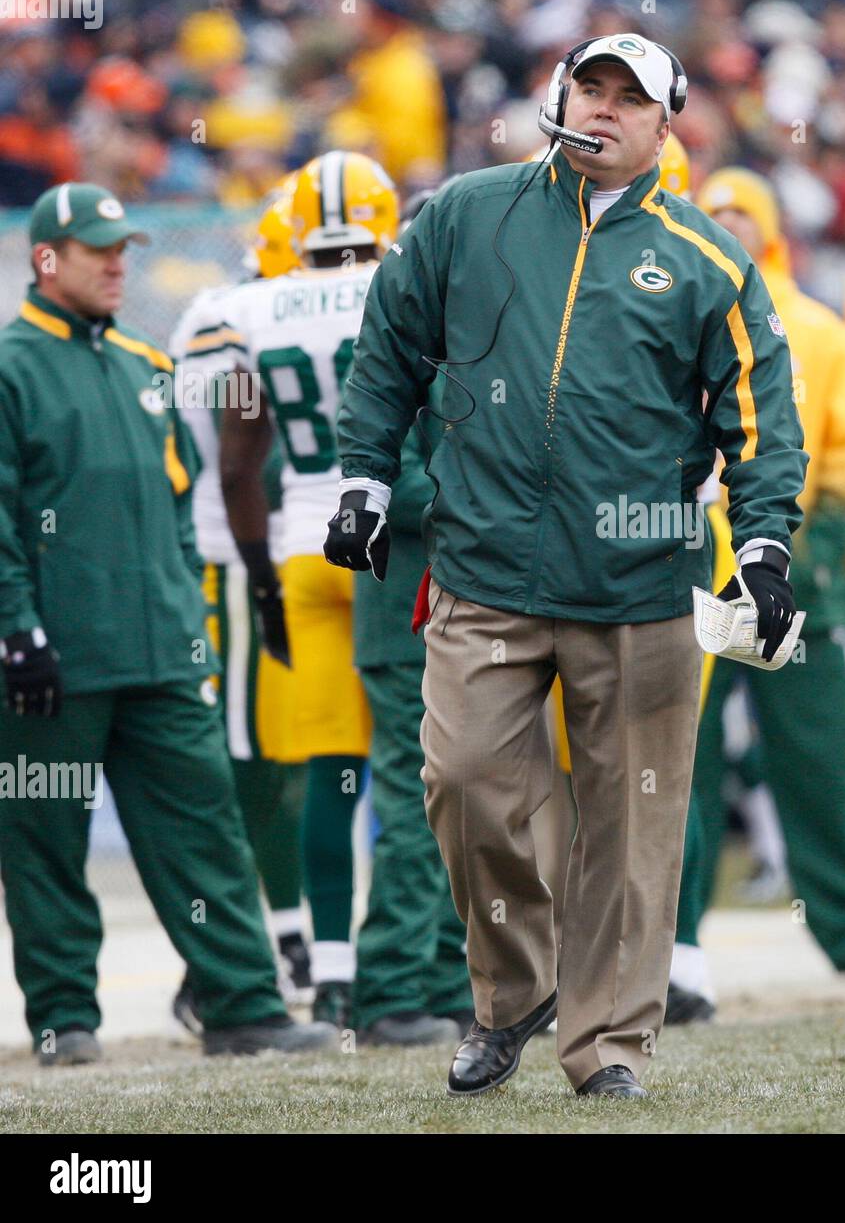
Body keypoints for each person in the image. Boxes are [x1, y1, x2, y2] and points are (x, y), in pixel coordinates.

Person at [327, 32, 806, 1097]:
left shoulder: (705, 257)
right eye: (587, 86)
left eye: (626, 99)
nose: (601, 108)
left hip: (637, 587)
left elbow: (761, 416)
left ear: (664, 124)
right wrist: (363, 477)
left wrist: (765, 545)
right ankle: (513, 991)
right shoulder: (465, 210)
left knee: (633, 827)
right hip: (484, 565)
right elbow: (388, 351)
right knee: (462, 785)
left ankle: (609, 1049)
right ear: (557, 94)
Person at [0, 182, 333, 1061]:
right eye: (99, 249)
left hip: (162, 653)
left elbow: (184, 507)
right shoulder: (9, 368)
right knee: (44, 844)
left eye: (125, 247)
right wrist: (15, 628)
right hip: (50, 661)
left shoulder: (147, 365)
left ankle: (244, 1005)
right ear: (45, 259)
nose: (119, 263)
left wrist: (187, 602)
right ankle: (65, 1017)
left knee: (208, 829)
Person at [669, 165, 845, 1023]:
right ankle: (676, 947)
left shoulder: (820, 331)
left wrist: (822, 552)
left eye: (742, 214)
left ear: (768, 228)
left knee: (824, 755)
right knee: (681, 765)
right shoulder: (674, 306)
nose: (727, 223)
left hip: (789, 571)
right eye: (714, 212)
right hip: (692, 574)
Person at [218, 151, 397, 1028]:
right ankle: (416, 965)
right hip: (391, 544)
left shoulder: (250, 305)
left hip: (298, 547)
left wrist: (256, 581)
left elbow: (236, 464)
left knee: (335, 773)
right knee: (416, 768)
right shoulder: (400, 284)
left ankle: (331, 975)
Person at [169, 174, 312, 1028]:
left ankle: (302, 935)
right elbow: (232, 462)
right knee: (258, 756)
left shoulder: (259, 309)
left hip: (296, 552)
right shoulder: (232, 319)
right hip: (242, 558)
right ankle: (271, 939)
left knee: (296, 757)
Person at [348, 187, 474, 1046]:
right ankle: (391, 984)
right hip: (407, 602)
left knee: (471, 799)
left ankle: (444, 975)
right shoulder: (393, 339)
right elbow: (381, 467)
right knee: (413, 790)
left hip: (474, 598)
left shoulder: (478, 335)